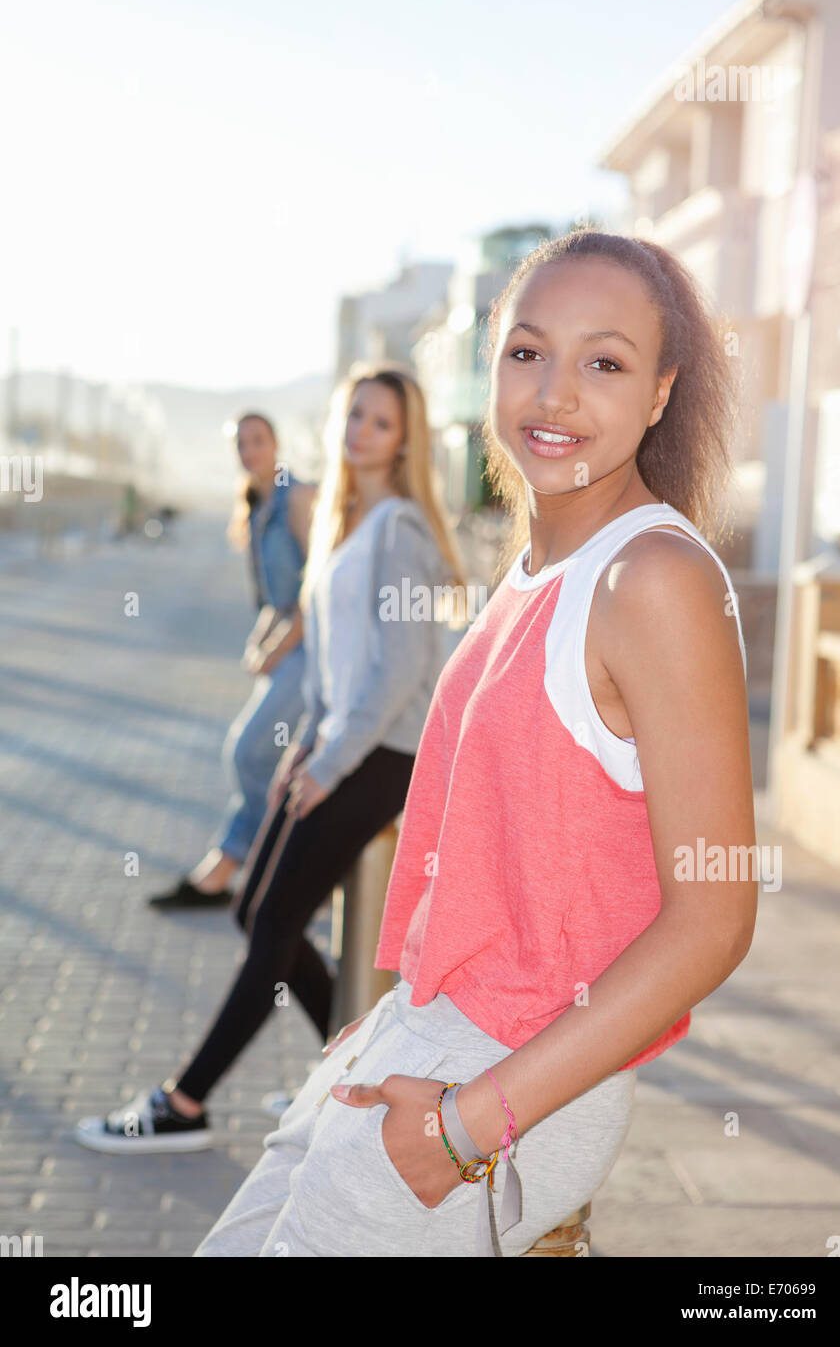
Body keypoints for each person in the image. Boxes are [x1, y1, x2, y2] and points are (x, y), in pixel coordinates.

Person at [189, 227, 758, 1258]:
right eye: (528, 352)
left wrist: (467, 1124)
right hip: (424, 1029)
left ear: (662, 391)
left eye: (604, 362)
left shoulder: (655, 581)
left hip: (503, 1081)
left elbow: (712, 916)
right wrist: (391, 1017)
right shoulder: (536, 562)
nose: (554, 395)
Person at [74, 362, 465, 1152]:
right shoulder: (344, 522)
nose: (362, 432)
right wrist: (309, 744)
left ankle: (183, 1104)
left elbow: (395, 676)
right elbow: (331, 660)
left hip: (382, 755)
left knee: (273, 923)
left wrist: (331, 761)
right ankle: (355, 1081)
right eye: (355, 414)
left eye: (381, 423)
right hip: (339, 745)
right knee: (257, 909)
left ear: (405, 442)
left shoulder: (401, 531)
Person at [148, 412, 316, 909]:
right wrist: (257, 641)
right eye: (242, 444)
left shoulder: (297, 496)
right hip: (288, 642)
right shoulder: (257, 505)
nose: (250, 451)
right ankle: (246, 869)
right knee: (266, 757)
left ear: (276, 443)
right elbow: (274, 598)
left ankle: (243, 864)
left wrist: (275, 647)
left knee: (248, 752)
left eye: (258, 441)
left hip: (312, 648)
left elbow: (316, 589)